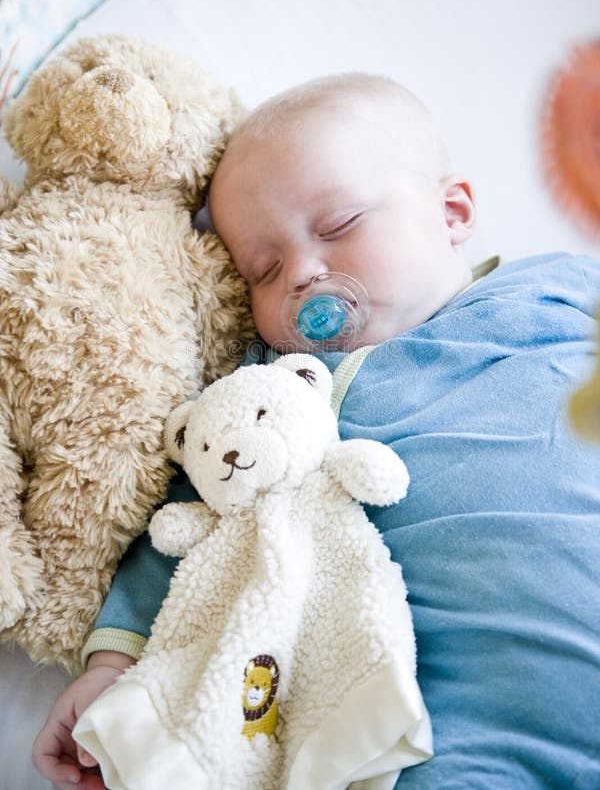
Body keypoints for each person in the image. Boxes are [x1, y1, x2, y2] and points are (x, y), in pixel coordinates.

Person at [32, 74, 600, 789]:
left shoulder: (559, 286)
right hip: (457, 721)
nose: (302, 271)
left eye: (338, 227)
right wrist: (114, 662)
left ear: (451, 210)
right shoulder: (289, 389)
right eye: (262, 270)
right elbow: (204, 516)